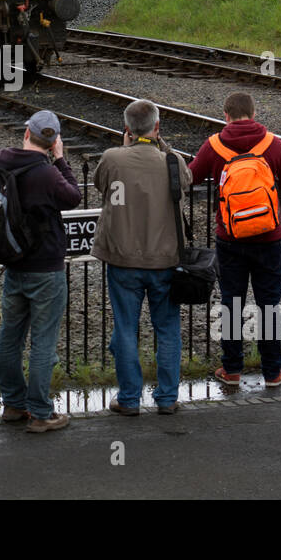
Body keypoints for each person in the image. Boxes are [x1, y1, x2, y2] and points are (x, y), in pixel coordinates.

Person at [92, 99, 191, 415]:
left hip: (123, 261)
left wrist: (129, 145)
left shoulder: (112, 159)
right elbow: (187, 183)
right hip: (165, 261)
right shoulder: (172, 161)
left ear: (126, 129)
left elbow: (100, 185)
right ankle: (167, 398)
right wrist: (160, 143)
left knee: (125, 328)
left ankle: (129, 398)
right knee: (167, 328)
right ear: (157, 128)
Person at [188, 92, 281, 388]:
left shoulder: (214, 145)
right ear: (254, 113)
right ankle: (272, 372)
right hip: (269, 237)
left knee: (231, 302)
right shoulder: (272, 144)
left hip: (230, 238)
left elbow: (191, 177)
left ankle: (232, 369)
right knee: (269, 304)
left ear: (226, 115)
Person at [0, 110, 82, 432]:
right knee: (43, 340)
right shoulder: (47, 174)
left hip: (14, 263)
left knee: (10, 337)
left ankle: (14, 404)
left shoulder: (0, 165)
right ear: (54, 141)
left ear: (26, 133)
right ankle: (42, 413)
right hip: (46, 268)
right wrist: (60, 160)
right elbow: (73, 196)